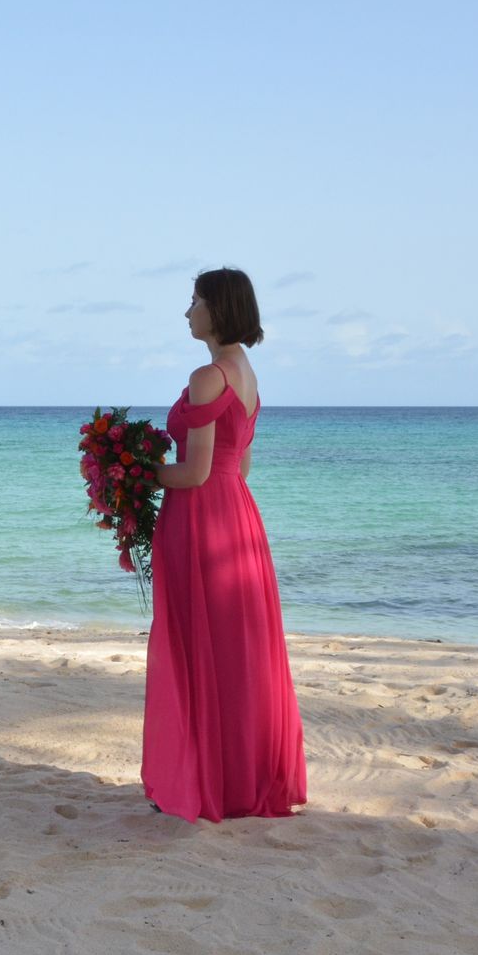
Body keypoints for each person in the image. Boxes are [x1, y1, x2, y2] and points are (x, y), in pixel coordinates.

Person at [141, 267, 307, 822]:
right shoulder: (247, 373)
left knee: (199, 647)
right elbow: (242, 465)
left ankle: (207, 782)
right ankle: (238, 778)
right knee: (237, 654)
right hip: (238, 517)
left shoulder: (208, 375)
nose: (187, 311)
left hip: (203, 522)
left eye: (194, 301)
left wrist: (134, 475)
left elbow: (192, 473)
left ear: (217, 309)